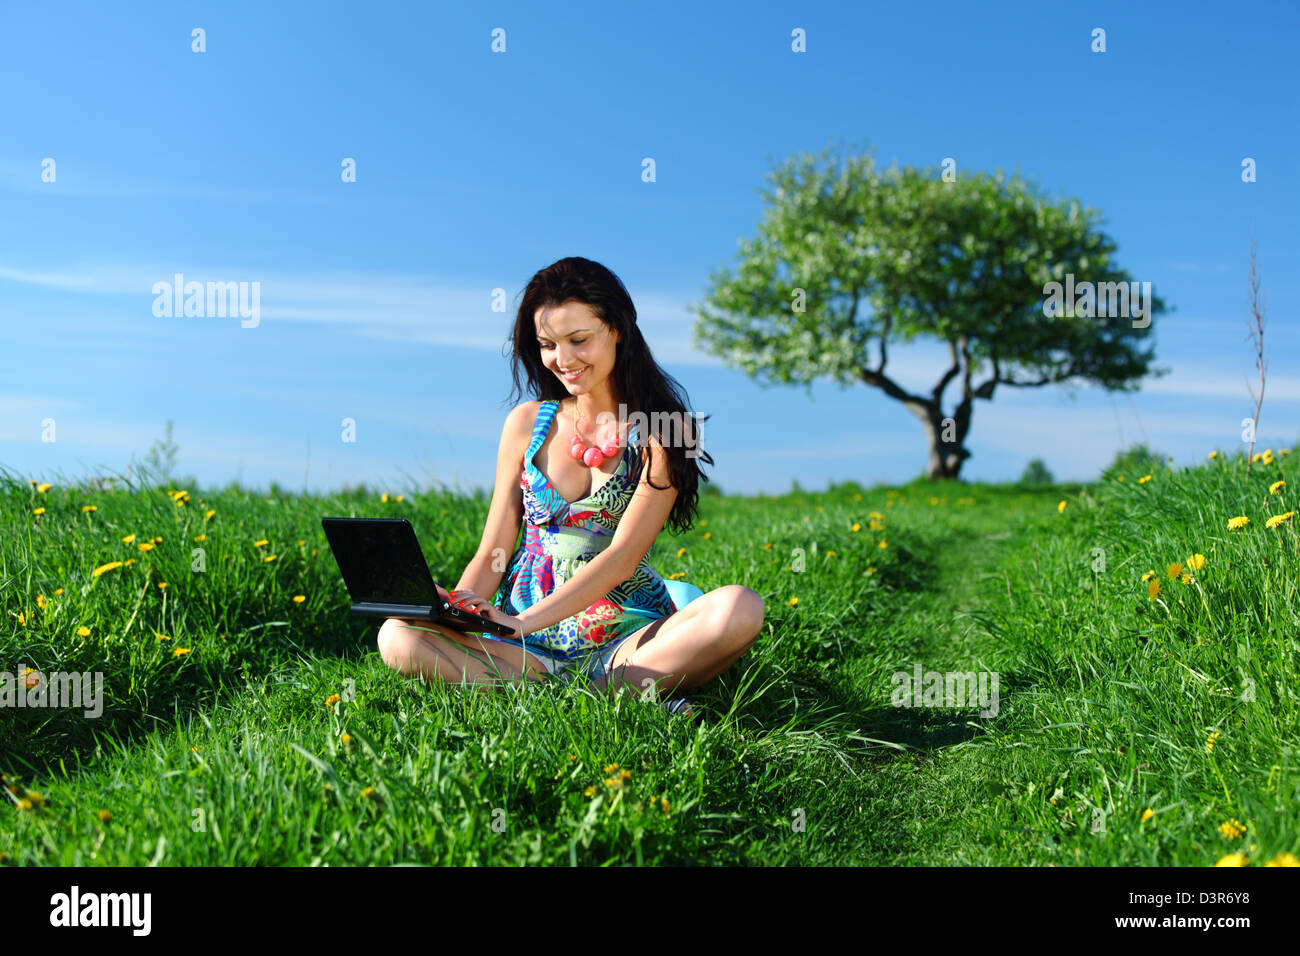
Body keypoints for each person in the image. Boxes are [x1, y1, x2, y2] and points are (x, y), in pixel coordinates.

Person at [377, 257, 764, 718]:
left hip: (624, 640)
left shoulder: (666, 432)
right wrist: (462, 612)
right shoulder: (526, 424)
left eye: (579, 340)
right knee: (396, 636)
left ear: (617, 329)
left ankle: (578, 697)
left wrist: (521, 623)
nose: (563, 360)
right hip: (523, 645)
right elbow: (493, 551)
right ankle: (587, 701)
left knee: (740, 608)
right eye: (547, 344)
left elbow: (622, 558)